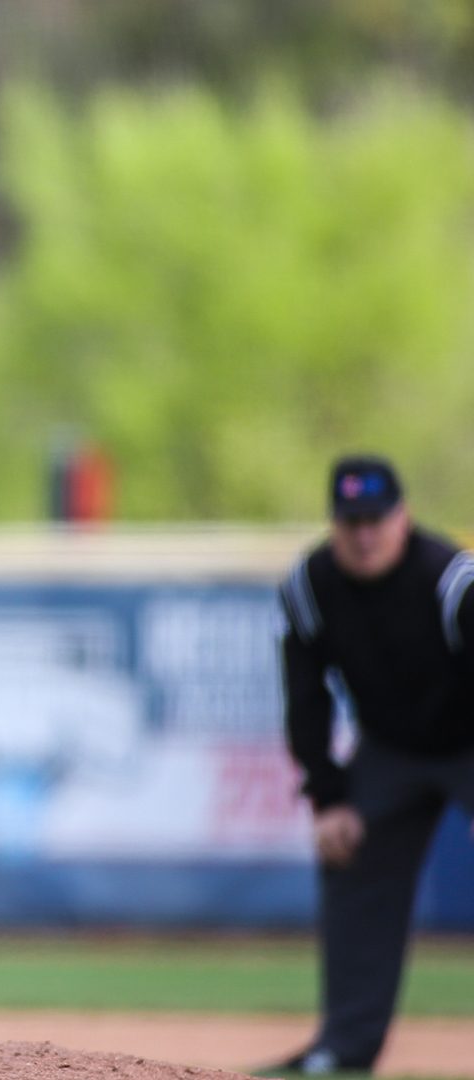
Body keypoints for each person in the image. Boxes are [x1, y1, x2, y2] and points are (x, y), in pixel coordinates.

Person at [268, 455, 474, 1076]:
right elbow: (305, 697)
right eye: (351, 521)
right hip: (390, 748)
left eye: (376, 520)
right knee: (348, 853)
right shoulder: (311, 586)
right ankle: (344, 1048)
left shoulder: (451, 580)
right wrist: (326, 797)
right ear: (334, 524)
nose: (364, 535)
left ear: (403, 518)